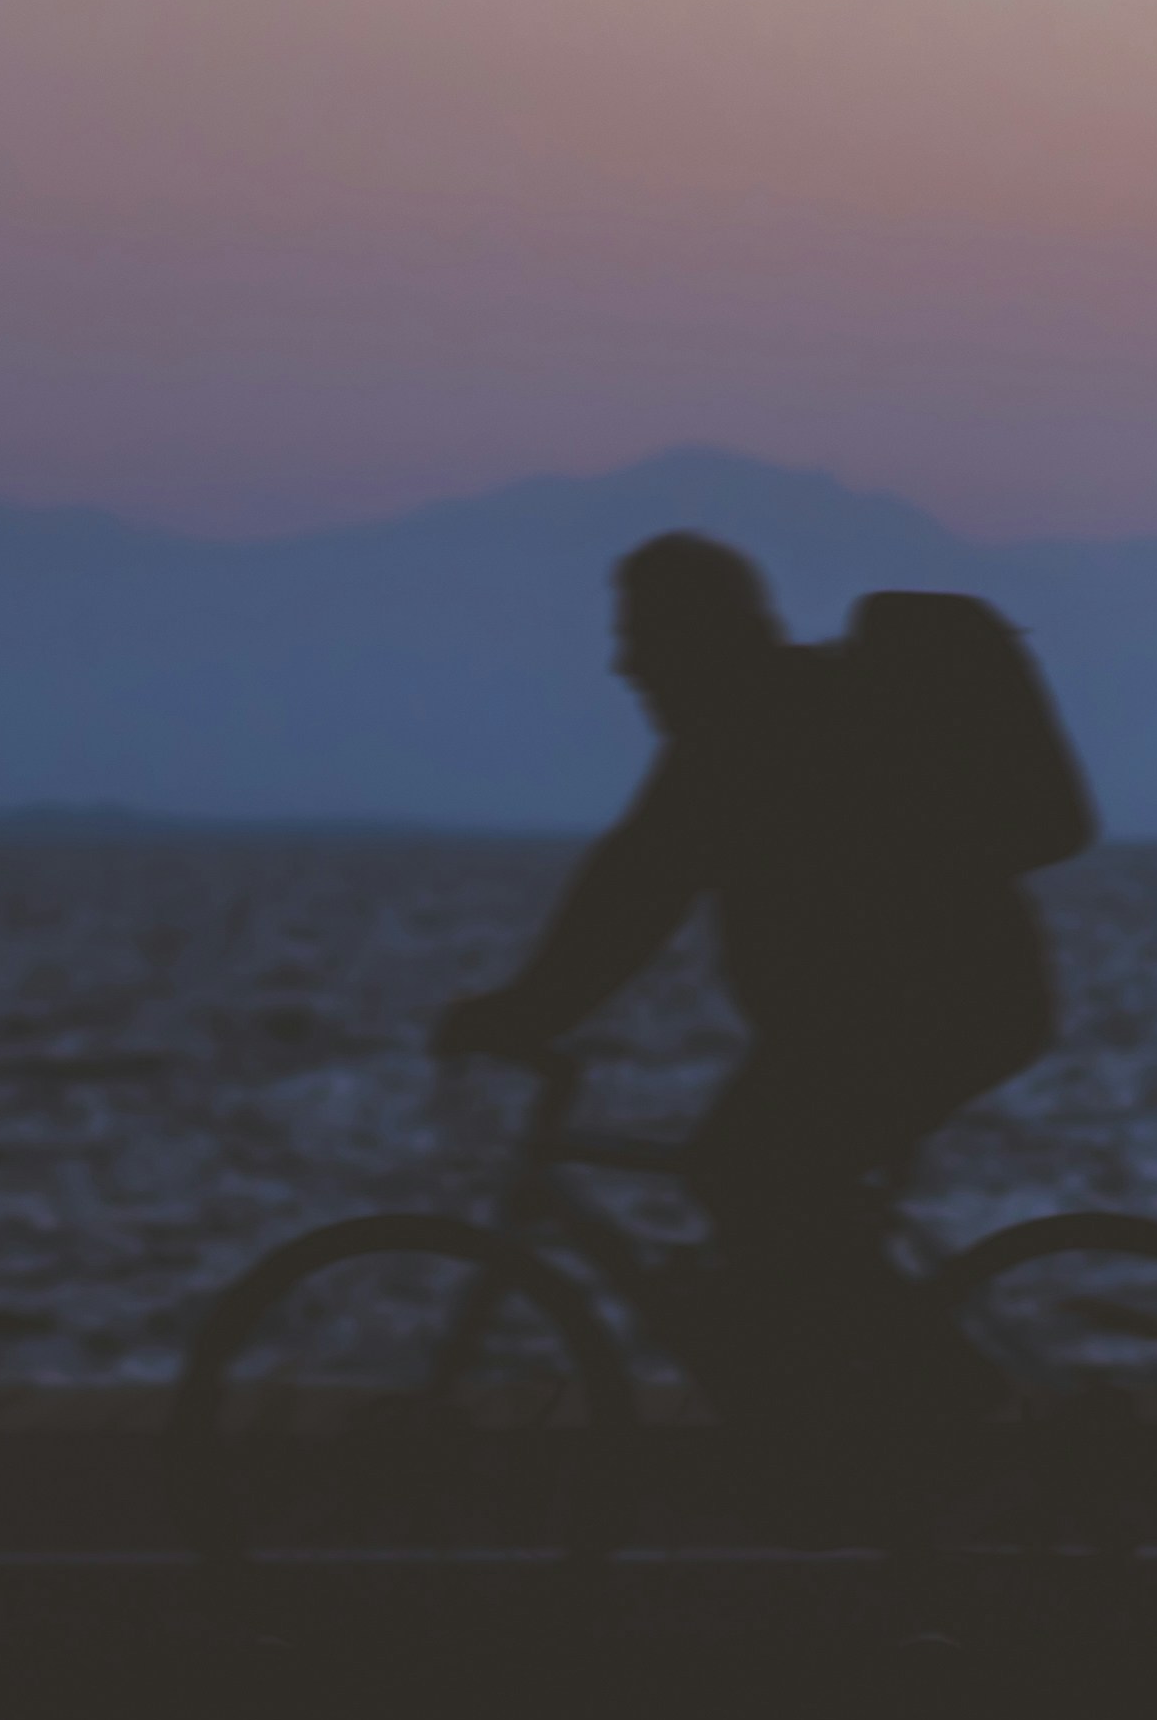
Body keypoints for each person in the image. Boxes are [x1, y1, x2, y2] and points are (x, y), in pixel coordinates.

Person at [432, 532, 1048, 1420]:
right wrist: (533, 1007)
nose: (623, 664)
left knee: (752, 1177)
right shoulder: (750, 720)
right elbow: (631, 887)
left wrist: (521, 1013)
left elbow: (631, 896)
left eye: (639, 636)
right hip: (920, 1007)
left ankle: (957, 1420)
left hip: (937, 1008)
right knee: (759, 1193)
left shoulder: (750, 730)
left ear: (696, 636)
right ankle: (850, 1424)